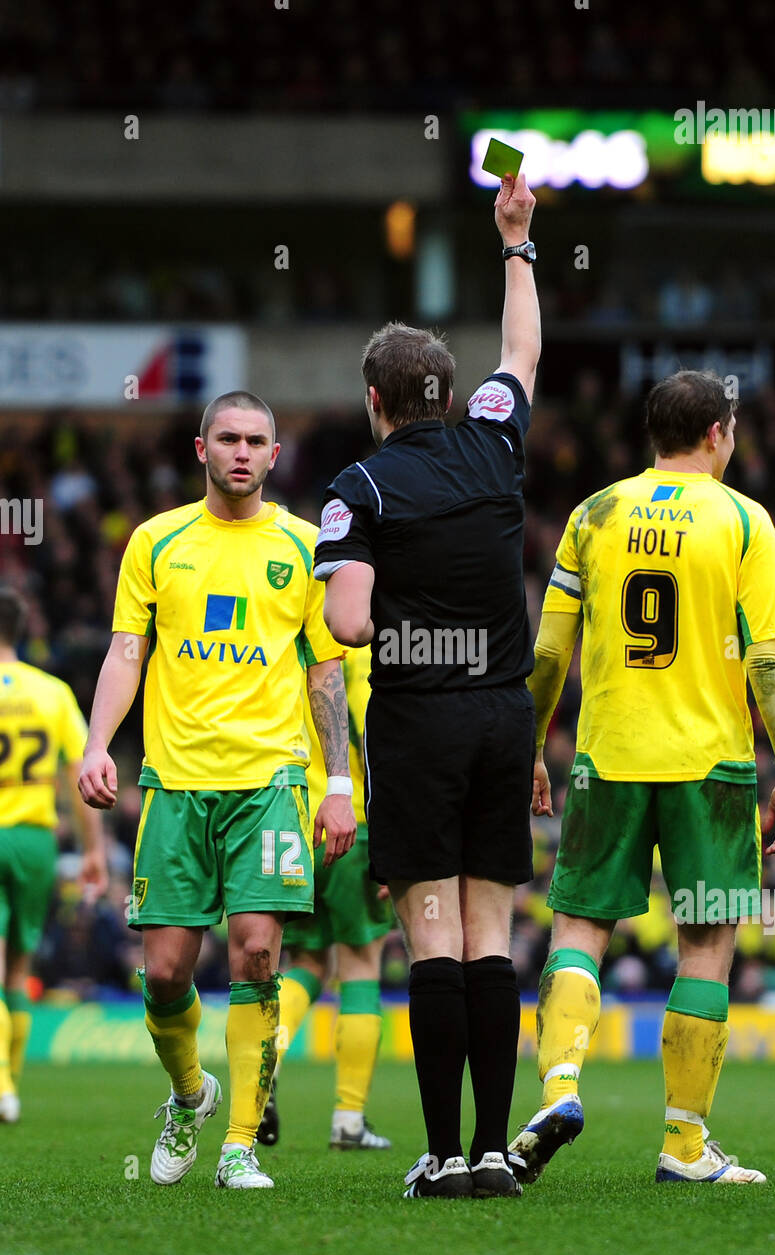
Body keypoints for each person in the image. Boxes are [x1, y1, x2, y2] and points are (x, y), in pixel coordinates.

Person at [510, 368, 775, 1185]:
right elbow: (771, 663)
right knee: (707, 943)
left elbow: (545, 655)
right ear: (719, 433)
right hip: (709, 767)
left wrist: (533, 745)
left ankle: (560, 1086)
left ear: (655, 433)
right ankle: (683, 1145)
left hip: (607, 757)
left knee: (578, 928)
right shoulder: (745, 520)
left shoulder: (593, 514)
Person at [313, 173, 541, 1198]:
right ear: (447, 394)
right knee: (490, 936)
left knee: (431, 939)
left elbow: (349, 621)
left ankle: (442, 1153)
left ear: (374, 401)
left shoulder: (357, 488)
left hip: (416, 725)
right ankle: (497, 1151)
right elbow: (522, 350)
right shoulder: (495, 438)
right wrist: (515, 242)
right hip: (504, 715)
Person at [78, 391, 356, 1190]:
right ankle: (191, 1094)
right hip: (174, 784)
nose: (242, 451)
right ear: (201, 449)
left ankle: (238, 1141)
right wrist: (99, 745)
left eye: (256, 440)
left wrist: (337, 783)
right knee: (164, 973)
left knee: (259, 952)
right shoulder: (155, 541)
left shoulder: (306, 548)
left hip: (270, 780)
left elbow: (326, 672)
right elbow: (127, 651)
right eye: (227, 438)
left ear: (275, 455)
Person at [258, 642, 395, 1153]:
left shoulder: (283, 650)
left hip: (290, 820)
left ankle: (264, 1062)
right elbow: (373, 738)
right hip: (348, 822)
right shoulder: (355, 657)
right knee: (361, 964)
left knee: (309, 961)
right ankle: (348, 1119)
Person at [0, 588, 108, 1122]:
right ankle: (10, 1089)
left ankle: (0, 1085)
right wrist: (94, 852)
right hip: (35, 841)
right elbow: (79, 776)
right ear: (20, 630)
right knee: (17, 973)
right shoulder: (52, 692)